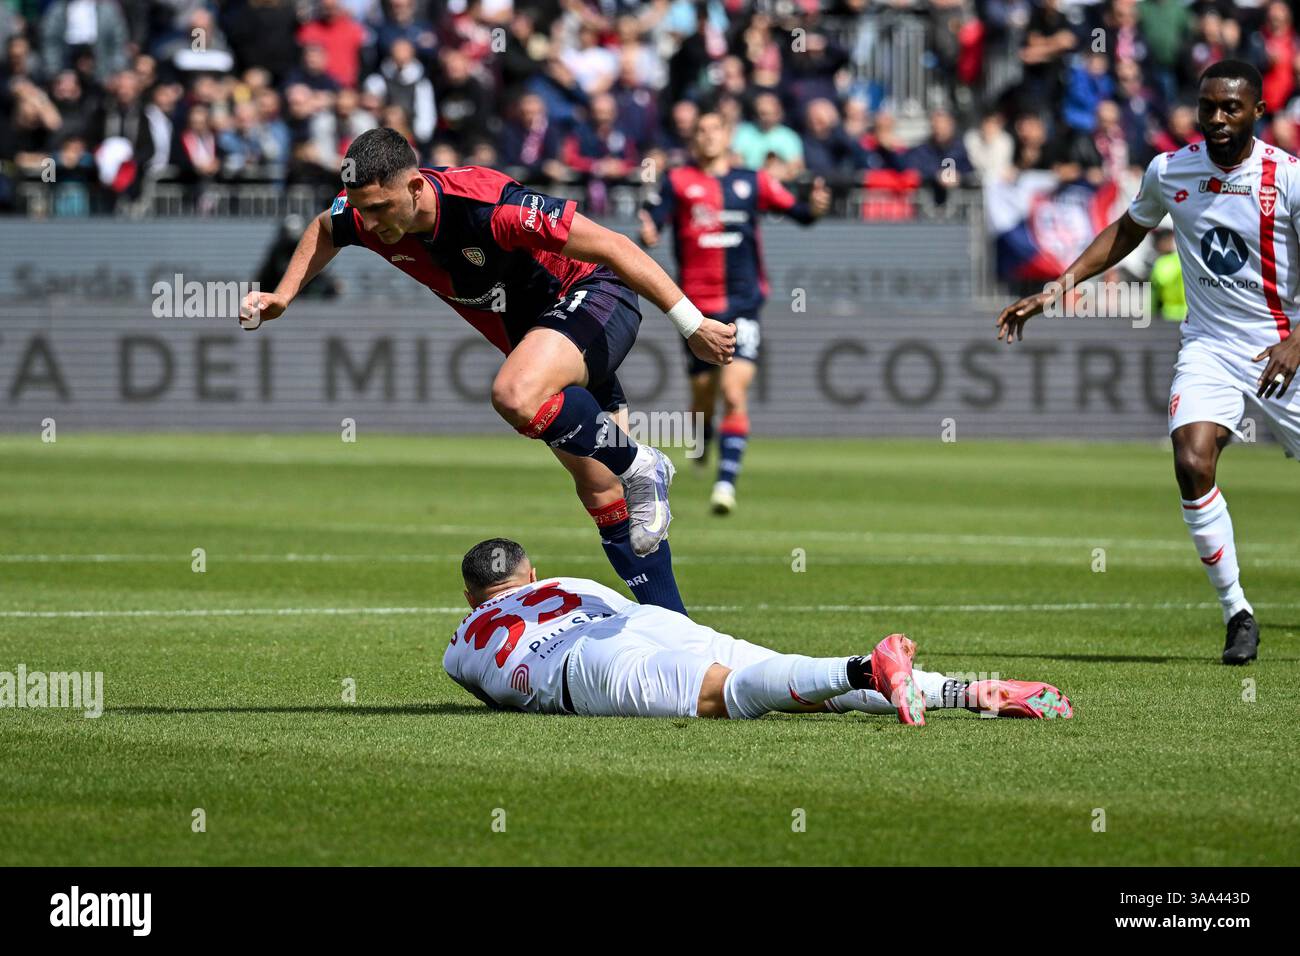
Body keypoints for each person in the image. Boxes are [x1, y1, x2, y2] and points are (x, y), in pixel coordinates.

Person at [241, 127, 738, 615]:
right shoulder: (366, 213)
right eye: (362, 210)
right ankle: (681, 635)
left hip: (595, 299)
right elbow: (325, 227)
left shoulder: (491, 208)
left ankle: (643, 465)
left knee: (516, 394)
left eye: (378, 209)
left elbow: (616, 246)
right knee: (602, 488)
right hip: (542, 335)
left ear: (415, 187)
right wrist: (284, 294)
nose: (368, 225)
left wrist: (691, 324)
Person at [996, 61, 1300, 665]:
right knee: (1191, 459)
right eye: (1207, 106)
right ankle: (1236, 611)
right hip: (1210, 346)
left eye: (1230, 108)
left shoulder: (1288, 178)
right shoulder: (1171, 169)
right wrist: (1059, 287)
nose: (1216, 118)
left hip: (1284, 343)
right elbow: (1130, 227)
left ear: (1257, 112)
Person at [444, 538, 1074, 724]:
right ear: (533, 574)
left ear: (472, 597)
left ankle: (866, 666)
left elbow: (492, 689)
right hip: (641, 621)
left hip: (581, 669)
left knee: (731, 695)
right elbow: (618, 607)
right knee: (783, 670)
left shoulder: (461, 644)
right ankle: (972, 692)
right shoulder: (573, 582)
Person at [640, 111, 829, 513]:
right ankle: (702, 436)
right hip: (692, 312)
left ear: (728, 136)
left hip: (743, 304)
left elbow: (800, 214)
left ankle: (725, 486)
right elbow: (652, 220)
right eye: (700, 130)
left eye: (715, 129)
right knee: (702, 396)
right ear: (693, 139)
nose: (707, 136)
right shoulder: (678, 180)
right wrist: (649, 231)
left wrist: (815, 207)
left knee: (733, 390)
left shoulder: (753, 181)